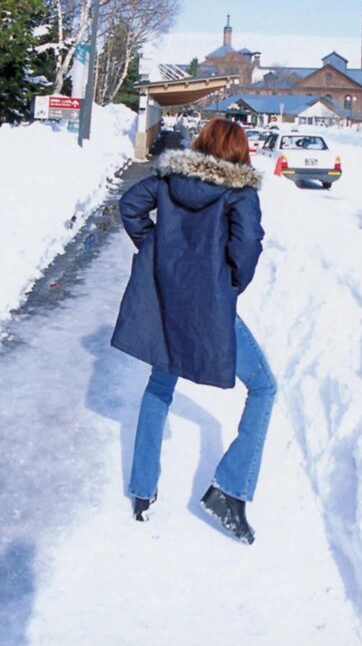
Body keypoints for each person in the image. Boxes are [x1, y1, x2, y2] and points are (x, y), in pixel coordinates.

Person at [111, 118, 276, 544]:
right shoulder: (239, 194)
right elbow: (247, 247)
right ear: (240, 153)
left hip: (168, 301)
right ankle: (230, 490)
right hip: (207, 309)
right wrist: (228, 284)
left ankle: (143, 492)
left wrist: (153, 249)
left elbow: (130, 205)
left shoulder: (169, 179)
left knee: (159, 384)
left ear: (202, 144)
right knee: (264, 387)